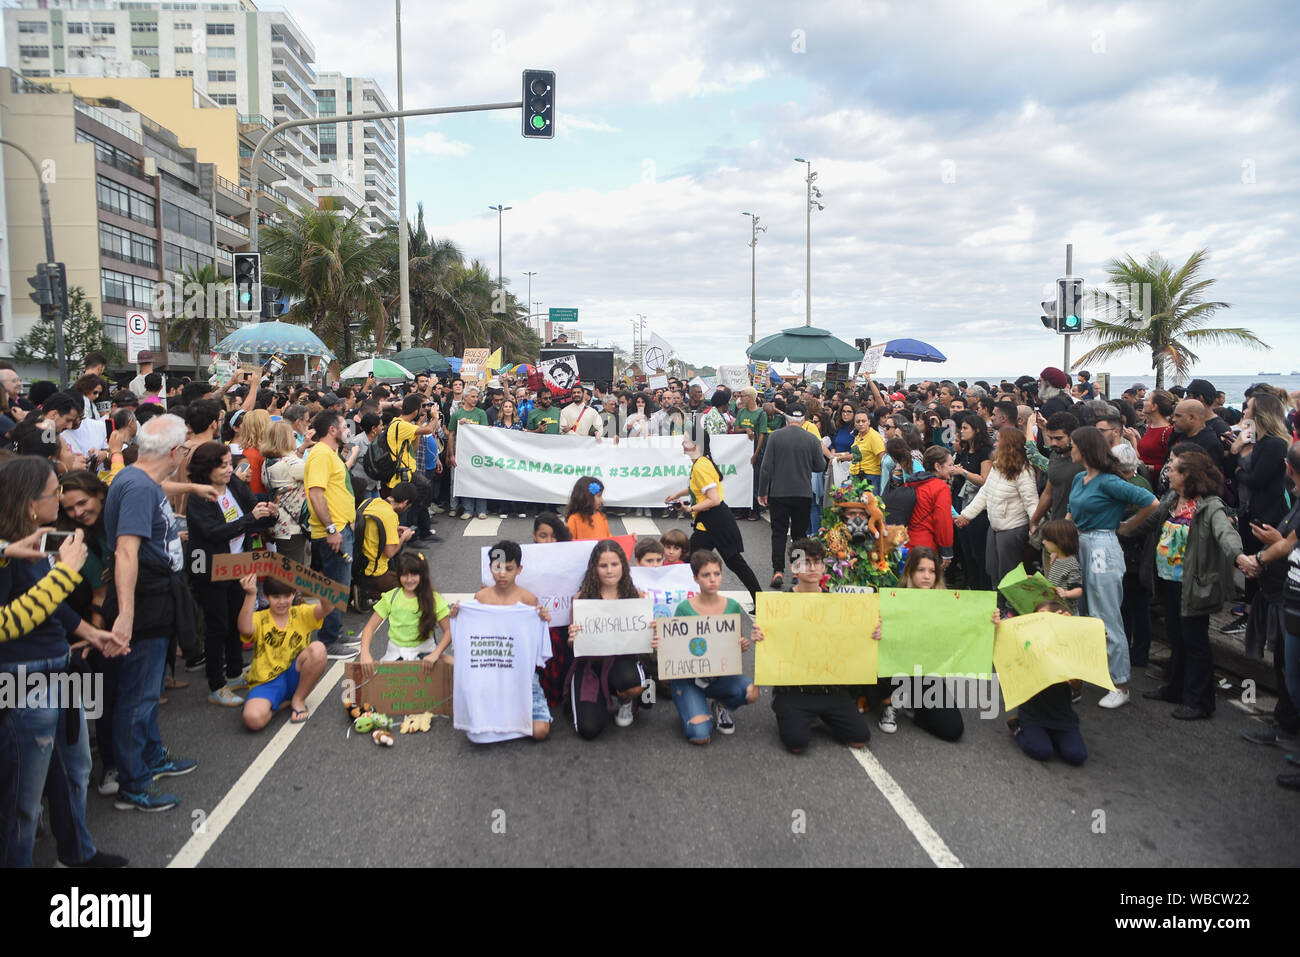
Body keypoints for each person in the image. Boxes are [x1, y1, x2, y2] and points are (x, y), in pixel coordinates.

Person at [0, 457, 129, 866]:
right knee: (25, 797)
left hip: (64, 664)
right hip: (24, 678)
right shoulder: (8, 553)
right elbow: (10, 622)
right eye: (53, 494)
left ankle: (79, 854)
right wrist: (67, 571)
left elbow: (52, 607)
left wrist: (91, 632)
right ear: (27, 503)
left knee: (75, 769)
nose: (62, 501)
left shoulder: (35, 541)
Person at [101, 415, 202, 812]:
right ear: (176, 452)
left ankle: (152, 755)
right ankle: (134, 781)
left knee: (147, 688)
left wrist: (194, 486)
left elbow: (161, 486)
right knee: (138, 696)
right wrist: (125, 615)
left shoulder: (137, 477)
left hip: (157, 595)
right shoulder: (139, 488)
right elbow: (126, 550)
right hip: (144, 601)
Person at [1134, 450, 1249, 719]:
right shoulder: (1172, 499)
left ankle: (1200, 701)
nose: (1168, 472)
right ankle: (1175, 688)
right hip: (1169, 581)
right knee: (1177, 637)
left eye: (1173, 469)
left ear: (1188, 476)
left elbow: (1225, 534)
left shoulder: (1209, 506)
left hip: (1194, 586)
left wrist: (1240, 557)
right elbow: (1147, 523)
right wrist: (1117, 528)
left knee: (1195, 642)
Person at [1066, 426, 1160, 709]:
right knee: (1082, 611)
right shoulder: (1080, 478)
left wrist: (1128, 526)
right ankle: (1089, 672)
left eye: (1072, 444)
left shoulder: (1108, 481)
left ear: (1083, 448)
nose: (1069, 449)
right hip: (1081, 544)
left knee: (1106, 614)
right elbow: (1071, 514)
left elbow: (1151, 502)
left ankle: (1120, 683)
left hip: (1101, 546)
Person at [186, 441, 277, 707]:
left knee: (238, 619)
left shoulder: (235, 485)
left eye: (229, 464)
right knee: (217, 625)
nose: (230, 469)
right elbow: (214, 531)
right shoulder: (199, 496)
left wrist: (269, 512)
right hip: (211, 568)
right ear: (207, 468)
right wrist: (251, 517)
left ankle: (235, 672)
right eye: (223, 465)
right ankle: (216, 684)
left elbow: (253, 510)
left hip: (240, 564)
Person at [768, 538, 874, 753]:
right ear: (794, 567)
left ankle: (822, 715)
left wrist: (871, 632)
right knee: (797, 744)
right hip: (794, 689)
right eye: (805, 562)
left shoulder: (837, 604)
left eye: (817, 562)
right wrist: (762, 635)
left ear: (824, 566)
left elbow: (851, 639)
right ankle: (791, 710)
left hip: (829, 687)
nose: (812, 567)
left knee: (860, 738)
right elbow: (772, 646)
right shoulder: (779, 605)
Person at [651, 549, 762, 743]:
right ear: (695, 578)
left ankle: (721, 706)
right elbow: (675, 645)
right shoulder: (685, 608)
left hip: (718, 675)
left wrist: (742, 645)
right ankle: (692, 707)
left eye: (716, 574)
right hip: (689, 678)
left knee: (751, 692)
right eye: (706, 575)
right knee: (700, 735)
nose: (712, 580)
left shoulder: (733, 606)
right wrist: (663, 644)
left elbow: (736, 643)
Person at [447, 539, 553, 741]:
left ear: (519, 569)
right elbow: (472, 633)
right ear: (490, 568)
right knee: (477, 732)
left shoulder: (528, 599)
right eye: (497, 568)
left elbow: (536, 641)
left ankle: (510, 721)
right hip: (490, 669)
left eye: (509, 568)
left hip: (521, 673)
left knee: (540, 731)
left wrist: (543, 620)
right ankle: (506, 722)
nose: (502, 573)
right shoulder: (481, 597)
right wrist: (457, 616)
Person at [875, 546, 964, 740]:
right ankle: (889, 702)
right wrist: (878, 631)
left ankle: (915, 705)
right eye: (921, 570)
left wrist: (989, 620)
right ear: (910, 572)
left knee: (952, 729)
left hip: (926, 672)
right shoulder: (893, 601)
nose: (927, 576)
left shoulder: (945, 603)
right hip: (894, 670)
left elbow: (963, 631)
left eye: (932, 571)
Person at [662, 430, 764, 600]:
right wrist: (678, 495)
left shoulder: (701, 465)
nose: (682, 444)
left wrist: (690, 509)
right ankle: (678, 598)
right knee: (723, 562)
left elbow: (714, 499)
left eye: (686, 441)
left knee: (728, 562)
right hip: (711, 522)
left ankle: (672, 599)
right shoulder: (701, 462)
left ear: (697, 445)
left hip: (715, 521)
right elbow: (697, 488)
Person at [565, 539, 650, 738]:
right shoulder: (581, 599)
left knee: (635, 684)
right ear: (594, 568)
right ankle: (599, 700)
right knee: (589, 730)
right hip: (590, 665)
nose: (609, 570)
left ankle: (627, 701)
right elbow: (573, 645)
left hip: (623, 660)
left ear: (623, 566)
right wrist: (572, 638)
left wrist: (653, 637)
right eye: (603, 565)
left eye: (614, 564)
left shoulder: (635, 596)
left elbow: (645, 638)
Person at [236, 574, 331, 729]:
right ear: (266, 596)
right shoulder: (260, 618)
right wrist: (250, 594)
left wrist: (322, 592)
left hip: (296, 675)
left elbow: (326, 608)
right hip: (267, 681)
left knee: (318, 649)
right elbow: (245, 629)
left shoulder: (300, 612)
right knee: (252, 720)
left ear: (294, 594)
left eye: (287, 595)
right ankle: (281, 703)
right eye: (275, 596)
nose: (282, 601)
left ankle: (298, 699)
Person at [1000, 600, 1088, 765]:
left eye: (1045, 618)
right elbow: (1005, 634)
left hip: (1061, 716)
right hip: (1033, 714)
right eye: (1037, 618)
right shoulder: (1028, 644)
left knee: (1076, 756)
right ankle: (1017, 727)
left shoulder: (1067, 647)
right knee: (1041, 751)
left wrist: (1071, 677)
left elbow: (1077, 686)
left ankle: (1055, 736)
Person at [303, 410, 358, 660]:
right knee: (334, 586)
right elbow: (316, 494)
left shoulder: (330, 454)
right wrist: (332, 529)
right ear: (332, 430)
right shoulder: (321, 455)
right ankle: (328, 639)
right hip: (332, 532)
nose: (347, 430)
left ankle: (335, 632)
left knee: (340, 584)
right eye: (343, 426)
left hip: (341, 527)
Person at [955, 427, 1037, 592]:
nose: (995, 443)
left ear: (1009, 445)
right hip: (995, 528)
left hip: (1012, 529)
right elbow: (985, 493)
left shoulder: (1023, 472)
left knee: (1009, 575)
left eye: (999, 440)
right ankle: (998, 606)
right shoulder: (997, 466)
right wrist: (966, 515)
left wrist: (1036, 528)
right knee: (993, 571)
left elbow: (1031, 502)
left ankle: (1010, 609)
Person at [758, 402, 827, 589]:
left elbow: (765, 468)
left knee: (778, 533)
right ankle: (797, 573)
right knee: (799, 535)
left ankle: (778, 570)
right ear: (803, 419)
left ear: (786, 418)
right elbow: (820, 466)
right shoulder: (812, 439)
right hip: (803, 493)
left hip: (779, 492)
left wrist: (762, 491)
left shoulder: (776, 437)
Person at [357, 550, 451, 670]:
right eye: (404, 575)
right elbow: (369, 628)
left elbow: (449, 631)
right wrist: (365, 653)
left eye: (414, 575)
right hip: (395, 654)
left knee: (452, 668)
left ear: (422, 575)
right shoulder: (390, 597)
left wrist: (436, 654)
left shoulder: (433, 599)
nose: (409, 579)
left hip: (426, 653)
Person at [948, 412, 994, 589]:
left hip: (979, 509)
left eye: (966, 428)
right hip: (963, 503)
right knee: (966, 551)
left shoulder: (985, 451)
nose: (962, 431)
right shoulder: (967, 450)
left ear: (976, 430)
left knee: (978, 553)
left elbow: (985, 480)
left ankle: (983, 588)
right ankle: (971, 585)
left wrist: (963, 473)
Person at [353, 481, 417, 603]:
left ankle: (364, 588)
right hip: (375, 573)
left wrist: (394, 530)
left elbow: (372, 530)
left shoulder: (371, 502)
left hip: (357, 564)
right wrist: (403, 538)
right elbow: (390, 553)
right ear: (405, 503)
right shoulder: (390, 515)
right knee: (414, 583)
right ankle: (368, 592)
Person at [262, 420, 309, 567]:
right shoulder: (291, 464)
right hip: (292, 527)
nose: (296, 438)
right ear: (286, 439)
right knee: (293, 574)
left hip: (278, 523)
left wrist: (303, 448)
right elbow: (323, 472)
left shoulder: (269, 462)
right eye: (293, 435)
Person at [447, 385, 489, 520]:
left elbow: (485, 433)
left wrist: (470, 426)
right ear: (465, 397)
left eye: (477, 397)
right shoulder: (457, 414)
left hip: (478, 453)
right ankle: (468, 509)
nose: (475, 399)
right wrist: (451, 454)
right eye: (473, 396)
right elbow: (451, 435)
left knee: (480, 480)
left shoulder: (481, 413)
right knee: (465, 480)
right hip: (462, 453)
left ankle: (481, 509)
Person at [1039, 519, 1083, 614]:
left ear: (1059, 542)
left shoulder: (1071, 564)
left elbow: (1078, 590)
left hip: (1068, 612)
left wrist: (1066, 593)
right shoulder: (1056, 559)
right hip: (1056, 609)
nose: (1043, 542)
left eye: (1046, 539)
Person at [1136, 389, 1176, 474]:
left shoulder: (1168, 431)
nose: (1143, 402)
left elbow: (1170, 465)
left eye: (1147, 400)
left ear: (1154, 406)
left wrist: (1146, 467)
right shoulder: (1151, 426)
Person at [566, 476, 612, 541]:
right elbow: (568, 544)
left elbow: (610, 540)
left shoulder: (601, 517)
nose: (601, 500)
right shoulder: (574, 520)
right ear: (587, 497)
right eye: (599, 496)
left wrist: (629, 539)